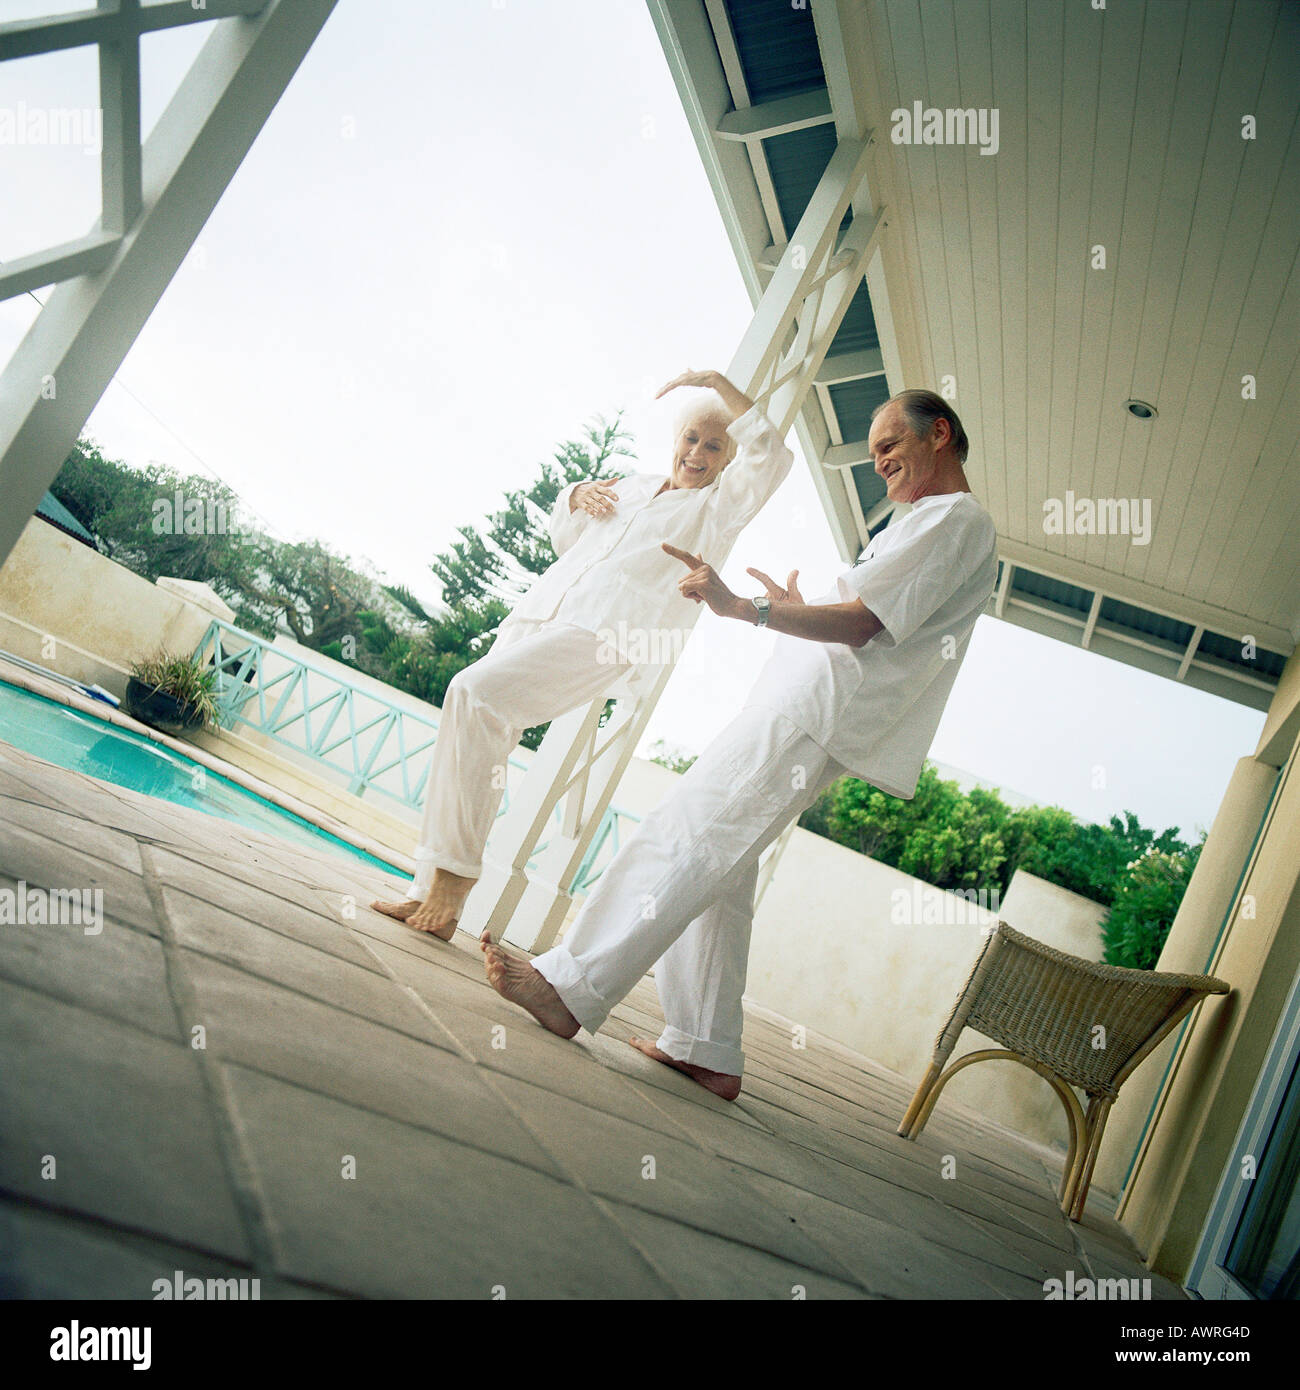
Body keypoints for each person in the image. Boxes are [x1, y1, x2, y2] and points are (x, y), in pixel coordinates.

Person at [481, 388, 999, 1100]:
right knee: (723, 874)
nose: (879, 462)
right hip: (814, 713)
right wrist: (788, 609)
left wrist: (748, 608)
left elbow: (861, 625)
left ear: (939, 434)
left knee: (686, 832)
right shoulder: (931, 522)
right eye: (876, 450)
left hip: (816, 715)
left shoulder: (954, 520)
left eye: (889, 446)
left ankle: (571, 988)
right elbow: (862, 617)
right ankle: (707, 1046)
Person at [370, 369, 793, 938]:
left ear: (726, 458)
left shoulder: (718, 509)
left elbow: (771, 452)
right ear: (675, 439)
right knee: (473, 717)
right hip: (541, 614)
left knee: (474, 695)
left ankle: (453, 886)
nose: (697, 452)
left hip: (605, 635)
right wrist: (573, 495)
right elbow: (566, 539)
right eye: (691, 437)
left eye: (714, 445)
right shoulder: (634, 485)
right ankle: (427, 892)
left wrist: (719, 383)